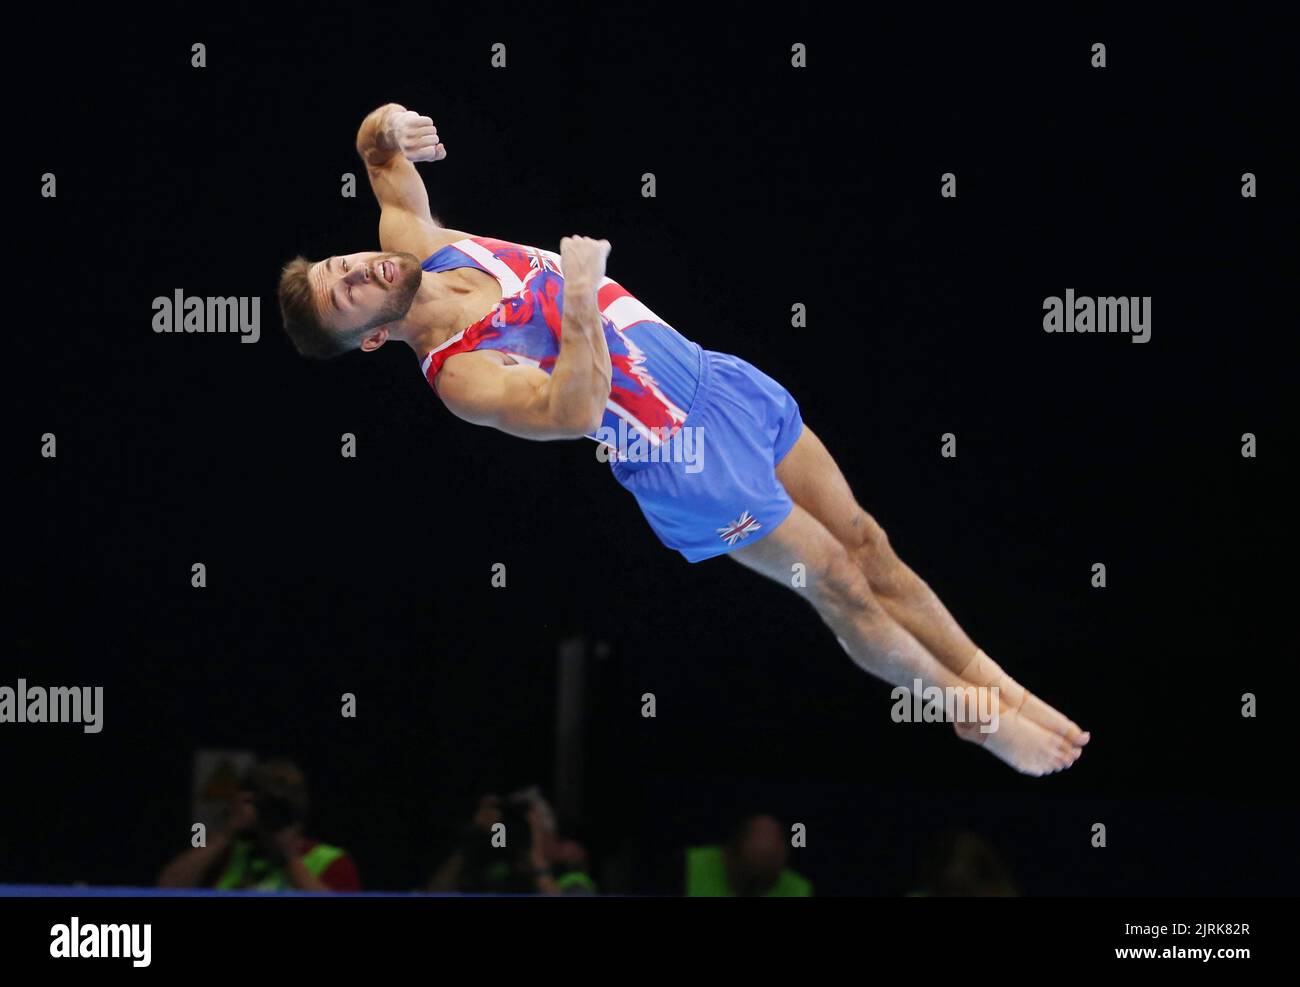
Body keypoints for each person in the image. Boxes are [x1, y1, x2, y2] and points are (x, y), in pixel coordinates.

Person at [276, 103, 1090, 776]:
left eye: (342, 264)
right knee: (836, 579)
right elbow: (574, 408)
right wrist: (583, 298)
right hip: (680, 460)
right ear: (371, 340)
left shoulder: (415, 244)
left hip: (715, 379)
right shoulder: (458, 376)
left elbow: (378, 159)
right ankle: (971, 713)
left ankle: (995, 683)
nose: (358, 272)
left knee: (868, 542)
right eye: (347, 294)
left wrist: (385, 125)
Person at [157, 758, 360, 892]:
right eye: (264, 806)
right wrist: (227, 832)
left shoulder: (332, 862)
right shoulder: (228, 854)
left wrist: (288, 859)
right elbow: (167, 890)